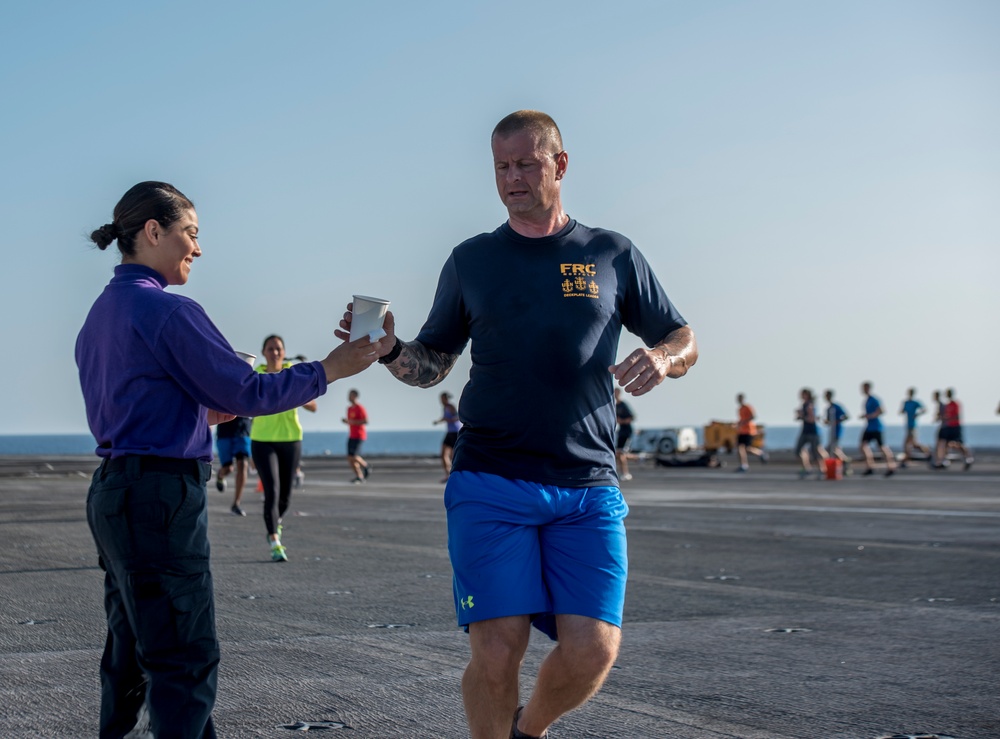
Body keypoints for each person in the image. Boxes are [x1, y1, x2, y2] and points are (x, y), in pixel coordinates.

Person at [338, 110, 697, 739]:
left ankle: (528, 730)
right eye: (501, 167)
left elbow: (682, 336)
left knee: (594, 650)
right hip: (491, 479)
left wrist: (664, 357)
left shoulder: (611, 253)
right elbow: (432, 366)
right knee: (497, 651)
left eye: (526, 163)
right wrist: (392, 350)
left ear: (560, 164)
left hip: (586, 484)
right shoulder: (471, 260)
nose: (512, 178)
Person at [76, 182, 382, 738]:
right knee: (184, 658)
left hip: (114, 493)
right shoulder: (167, 311)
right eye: (190, 233)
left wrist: (200, 415)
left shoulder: (101, 314)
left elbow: (137, 405)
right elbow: (250, 393)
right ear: (153, 232)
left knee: (129, 649)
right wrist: (329, 368)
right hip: (160, 497)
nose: (197, 248)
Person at [251, 335, 319, 561]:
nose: (275, 352)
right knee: (271, 491)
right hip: (262, 439)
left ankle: (275, 524)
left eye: (278, 349)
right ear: (263, 352)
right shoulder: (256, 374)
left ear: (284, 351)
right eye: (270, 349)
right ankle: (274, 541)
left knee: (286, 497)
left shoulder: (292, 373)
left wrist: (294, 394)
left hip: (290, 439)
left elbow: (313, 406)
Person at [215, 415, 252, 515]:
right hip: (224, 427)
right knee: (228, 468)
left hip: (243, 426)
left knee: (243, 464)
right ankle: (220, 475)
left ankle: (236, 503)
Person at [859, 381, 897, 477]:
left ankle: (891, 466)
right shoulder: (867, 400)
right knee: (863, 446)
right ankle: (870, 466)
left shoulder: (874, 399)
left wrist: (870, 416)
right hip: (869, 428)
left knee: (882, 447)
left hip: (876, 427)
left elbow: (881, 411)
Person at [933, 388, 974, 470]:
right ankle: (943, 460)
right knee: (945, 444)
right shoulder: (947, 405)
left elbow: (957, 416)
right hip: (948, 426)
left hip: (955, 426)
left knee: (958, 443)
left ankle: (968, 457)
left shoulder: (955, 404)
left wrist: (947, 418)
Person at [794, 388, 827, 478]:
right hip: (805, 431)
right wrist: (800, 416)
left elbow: (812, 419)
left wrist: (802, 416)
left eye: (803, 394)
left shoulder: (810, 405)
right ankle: (807, 468)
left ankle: (822, 469)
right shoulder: (804, 405)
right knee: (799, 450)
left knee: (815, 452)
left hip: (813, 432)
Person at [342, 389, 371, 483]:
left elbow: (366, 421)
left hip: (359, 435)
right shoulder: (349, 408)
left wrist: (352, 422)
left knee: (354, 456)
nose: (348, 397)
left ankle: (366, 466)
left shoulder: (360, 408)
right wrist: (347, 422)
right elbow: (350, 421)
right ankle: (359, 476)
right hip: (352, 435)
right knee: (350, 458)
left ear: (355, 396)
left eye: (350, 395)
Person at [434, 391, 462, 483]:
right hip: (449, 432)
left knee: (454, 455)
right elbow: (444, 418)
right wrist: (438, 421)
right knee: (443, 454)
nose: (441, 401)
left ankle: (456, 474)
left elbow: (457, 417)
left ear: (445, 398)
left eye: (442, 398)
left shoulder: (450, 407)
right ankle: (448, 474)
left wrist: (448, 420)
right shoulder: (445, 407)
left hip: (455, 432)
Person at [734, 393, 767, 472]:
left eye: (740, 398)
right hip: (741, 431)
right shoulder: (740, 409)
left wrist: (744, 422)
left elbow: (753, 416)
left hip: (749, 431)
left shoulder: (747, 407)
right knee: (740, 448)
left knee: (747, 448)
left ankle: (760, 453)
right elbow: (741, 419)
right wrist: (738, 424)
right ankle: (744, 465)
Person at [899, 387, 931, 466]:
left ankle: (906, 459)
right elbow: (902, 411)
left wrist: (917, 414)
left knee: (907, 443)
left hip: (913, 425)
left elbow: (924, 409)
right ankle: (928, 453)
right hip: (908, 425)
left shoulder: (915, 402)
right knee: (913, 444)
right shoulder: (906, 402)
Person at [822, 389, 851, 471]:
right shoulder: (828, 408)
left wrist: (837, 421)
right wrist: (827, 422)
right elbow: (829, 421)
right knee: (833, 449)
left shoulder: (836, 407)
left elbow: (846, 416)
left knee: (833, 448)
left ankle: (844, 461)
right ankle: (842, 463)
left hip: (837, 431)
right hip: (831, 432)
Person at [614, 388, 635, 480]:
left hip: (627, 432)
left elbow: (632, 417)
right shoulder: (615, 406)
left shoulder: (623, 405)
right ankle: (622, 472)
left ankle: (626, 473)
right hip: (621, 432)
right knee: (618, 453)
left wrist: (621, 421)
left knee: (621, 453)